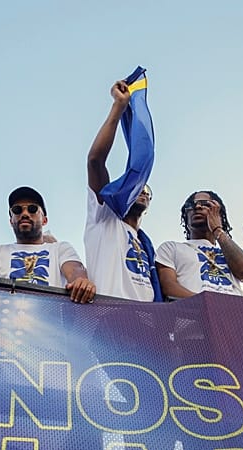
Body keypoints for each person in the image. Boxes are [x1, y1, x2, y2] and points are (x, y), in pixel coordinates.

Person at [85, 79, 159, 301]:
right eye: (138, 186)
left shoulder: (146, 244)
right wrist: (118, 107)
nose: (142, 191)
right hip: (110, 318)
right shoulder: (104, 217)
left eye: (147, 189)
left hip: (147, 323)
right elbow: (95, 161)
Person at [0, 187, 97, 304]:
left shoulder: (60, 249)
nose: (25, 214)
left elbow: (75, 270)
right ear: (11, 221)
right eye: (17, 210)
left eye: (32, 209)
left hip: (50, 325)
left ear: (44, 220)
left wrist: (80, 281)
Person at [155, 191, 243, 298]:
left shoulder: (230, 254)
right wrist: (207, 304)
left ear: (218, 213)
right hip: (194, 312)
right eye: (190, 205)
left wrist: (217, 229)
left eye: (205, 204)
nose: (197, 207)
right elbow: (168, 287)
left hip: (233, 312)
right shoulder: (171, 248)